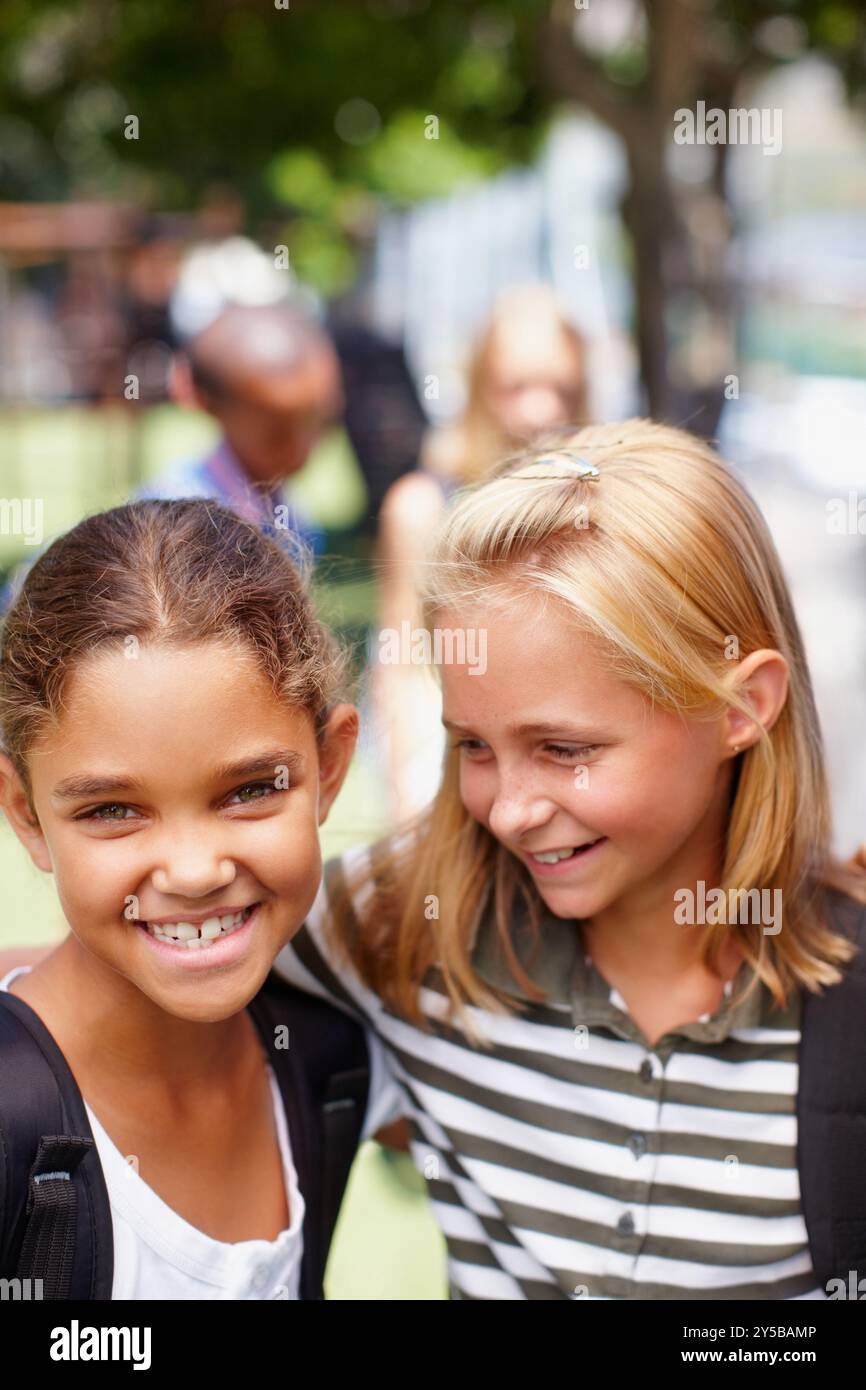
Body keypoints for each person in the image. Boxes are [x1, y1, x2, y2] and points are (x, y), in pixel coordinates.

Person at [280, 419, 866, 1299]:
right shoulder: (406, 922)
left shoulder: (845, 993)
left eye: (564, 749)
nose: (509, 811)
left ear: (744, 707)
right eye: (473, 746)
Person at [0, 499, 402, 1300]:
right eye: (112, 810)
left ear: (330, 764)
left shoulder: (338, 1047)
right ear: (26, 816)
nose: (191, 870)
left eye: (250, 790)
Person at [374, 285, 591, 820]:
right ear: (479, 388)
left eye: (561, 388)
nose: (541, 410)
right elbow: (402, 664)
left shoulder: (595, 506)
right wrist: (410, 797)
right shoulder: (423, 508)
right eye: (515, 386)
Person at [136, 302, 344, 555]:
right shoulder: (172, 520)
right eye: (279, 434)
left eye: (320, 424)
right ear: (207, 402)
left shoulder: (295, 518)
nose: (303, 444)